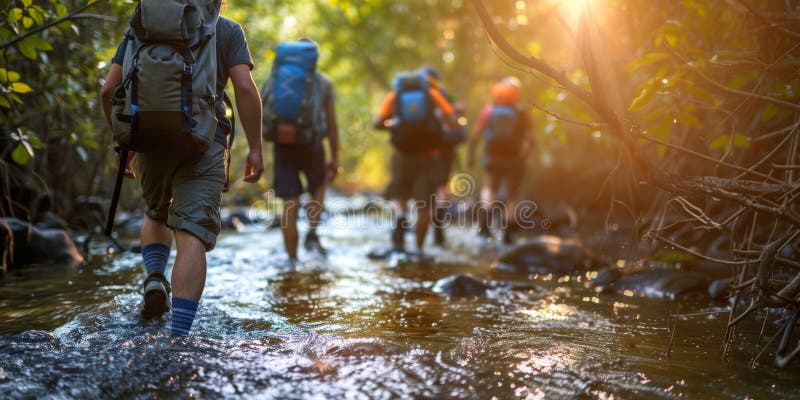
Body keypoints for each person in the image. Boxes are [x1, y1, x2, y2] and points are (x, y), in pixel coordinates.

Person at [100, 1, 264, 336]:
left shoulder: (141, 27)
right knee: (190, 232)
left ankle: (155, 276)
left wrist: (123, 142)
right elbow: (244, 88)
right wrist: (257, 147)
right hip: (204, 141)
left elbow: (108, 91)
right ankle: (178, 337)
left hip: (148, 138)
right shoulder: (227, 30)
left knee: (157, 213)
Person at [261, 38, 339, 264]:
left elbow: (264, 106)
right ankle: (312, 234)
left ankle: (292, 261)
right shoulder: (323, 82)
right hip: (312, 144)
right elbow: (332, 125)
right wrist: (334, 157)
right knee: (319, 186)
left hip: (282, 145)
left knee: (289, 203)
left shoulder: (278, 79)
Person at [373, 69, 458, 254]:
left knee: (399, 192)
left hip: (401, 155)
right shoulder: (433, 95)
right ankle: (419, 250)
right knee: (425, 205)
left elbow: (377, 123)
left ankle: (400, 218)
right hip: (428, 156)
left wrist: (393, 125)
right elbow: (453, 122)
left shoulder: (395, 95)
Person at [467, 77, 534, 244]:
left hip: (492, 157)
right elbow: (531, 140)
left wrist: (471, 157)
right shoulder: (522, 113)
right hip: (515, 159)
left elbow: (475, 136)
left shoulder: (489, 110)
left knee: (490, 188)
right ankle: (508, 234)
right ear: (516, 94)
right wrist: (523, 157)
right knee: (512, 196)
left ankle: (485, 226)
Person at [421, 66, 466, 246]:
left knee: (427, 186)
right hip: (446, 145)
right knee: (441, 185)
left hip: (424, 147)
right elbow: (458, 113)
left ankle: (424, 223)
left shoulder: (415, 94)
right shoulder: (444, 94)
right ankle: (438, 220)